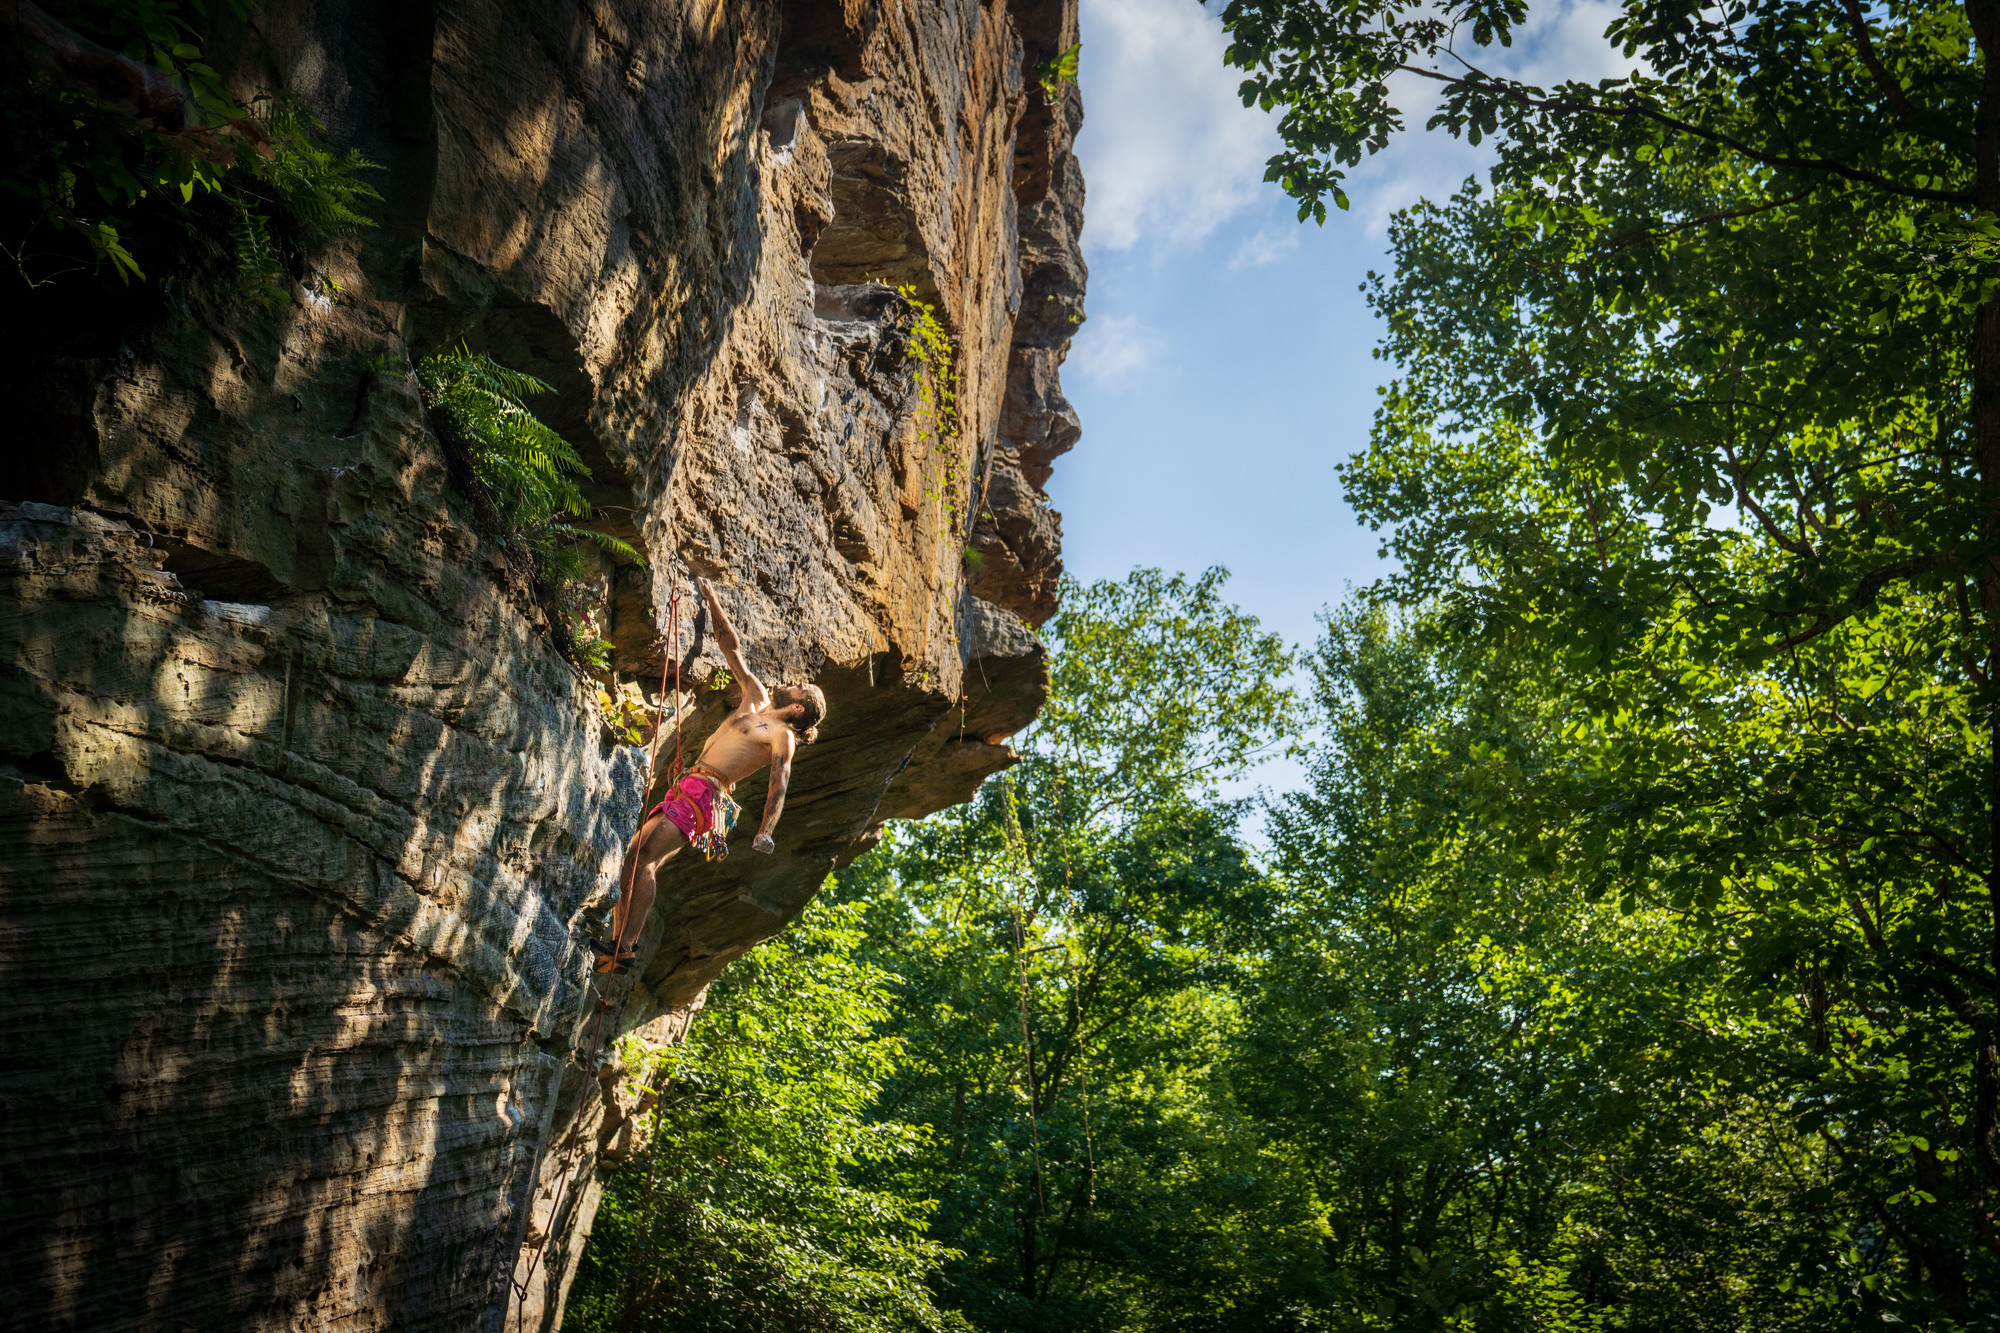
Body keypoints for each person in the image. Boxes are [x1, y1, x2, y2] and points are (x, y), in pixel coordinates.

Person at [593, 577, 827, 975]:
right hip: (688, 784)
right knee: (634, 858)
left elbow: (779, 781)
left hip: (704, 796)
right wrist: (711, 600)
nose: (792, 682)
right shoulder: (756, 699)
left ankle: (626, 946)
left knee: (644, 859)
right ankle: (617, 946)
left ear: (801, 709)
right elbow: (731, 648)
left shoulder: (784, 736)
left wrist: (766, 829)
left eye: (800, 687)